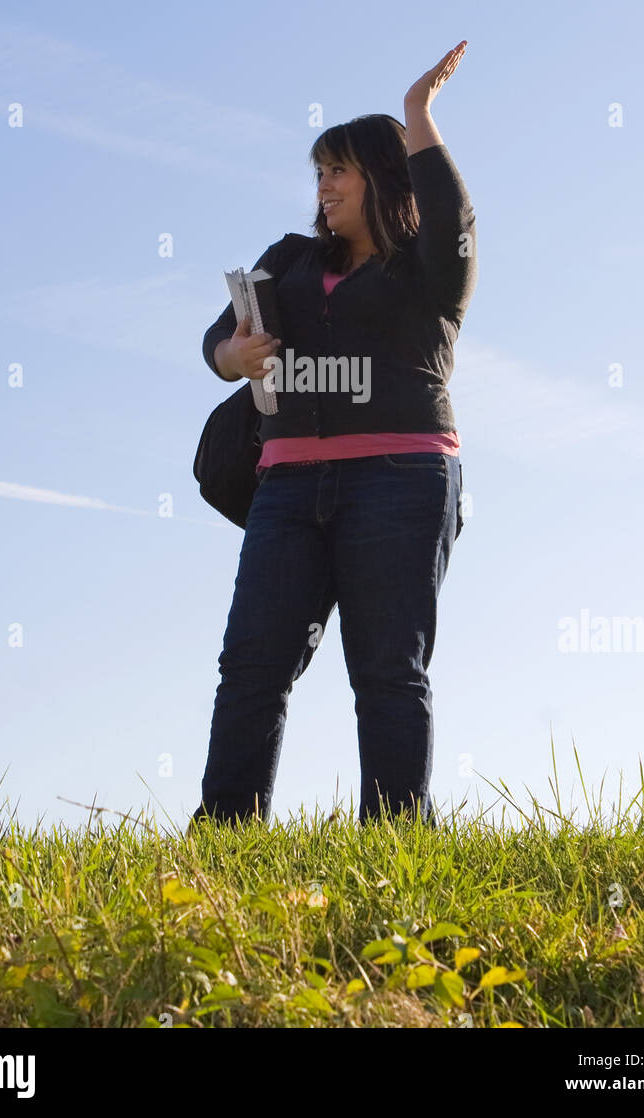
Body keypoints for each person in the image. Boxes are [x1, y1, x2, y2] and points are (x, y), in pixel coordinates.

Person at [190, 40, 477, 827]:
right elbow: (217, 343)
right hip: (286, 486)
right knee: (251, 665)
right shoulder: (286, 258)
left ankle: (393, 843)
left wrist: (418, 116)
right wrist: (234, 354)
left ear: (383, 176)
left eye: (338, 169)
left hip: (400, 478)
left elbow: (454, 218)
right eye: (318, 171)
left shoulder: (429, 269)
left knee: (388, 670)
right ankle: (223, 840)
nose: (322, 186)